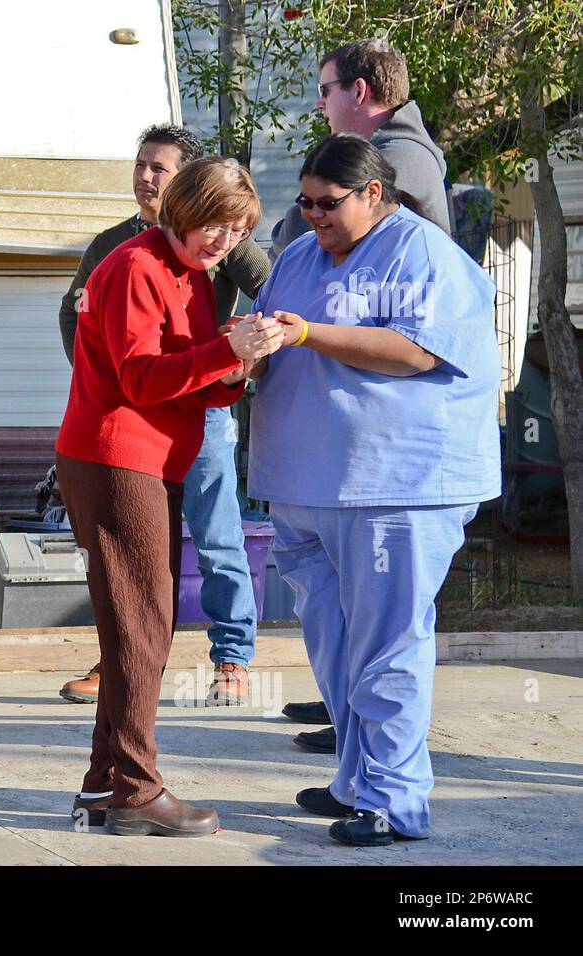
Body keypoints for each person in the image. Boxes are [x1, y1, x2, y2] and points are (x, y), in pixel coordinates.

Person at [247, 133, 501, 845]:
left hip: (397, 488)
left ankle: (394, 801)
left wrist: (307, 335)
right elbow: (276, 340)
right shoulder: (296, 255)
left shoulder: (421, 253)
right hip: (305, 487)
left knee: (387, 647)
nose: (314, 215)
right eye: (304, 201)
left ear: (373, 194)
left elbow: (418, 351)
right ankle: (357, 781)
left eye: (328, 203)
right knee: (335, 647)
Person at [58, 158, 282, 836]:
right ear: (182, 210)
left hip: (141, 459)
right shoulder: (134, 267)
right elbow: (142, 380)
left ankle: (106, 785)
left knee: (136, 625)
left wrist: (239, 359)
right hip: (116, 458)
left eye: (238, 228)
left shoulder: (186, 272)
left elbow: (192, 381)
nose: (225, 239)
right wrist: (226, 354)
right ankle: (135, 789)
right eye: (215, 223)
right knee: (141, 629)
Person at [272, 37, 454, 752]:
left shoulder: (401, 164)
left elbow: (326, 253)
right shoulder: (384, 164)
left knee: (384, 622)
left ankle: (380, 770)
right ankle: (354, 730)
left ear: (365, 90)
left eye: (326, 90)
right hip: (344, 429)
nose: (320, 105)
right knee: (346, 606)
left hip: (384, 438)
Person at [271, 38, 450, 259]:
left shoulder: (395, 158)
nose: (319, 104)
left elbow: (293, 243)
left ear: (358, 90)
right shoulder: (405, 152)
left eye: (324, 91)